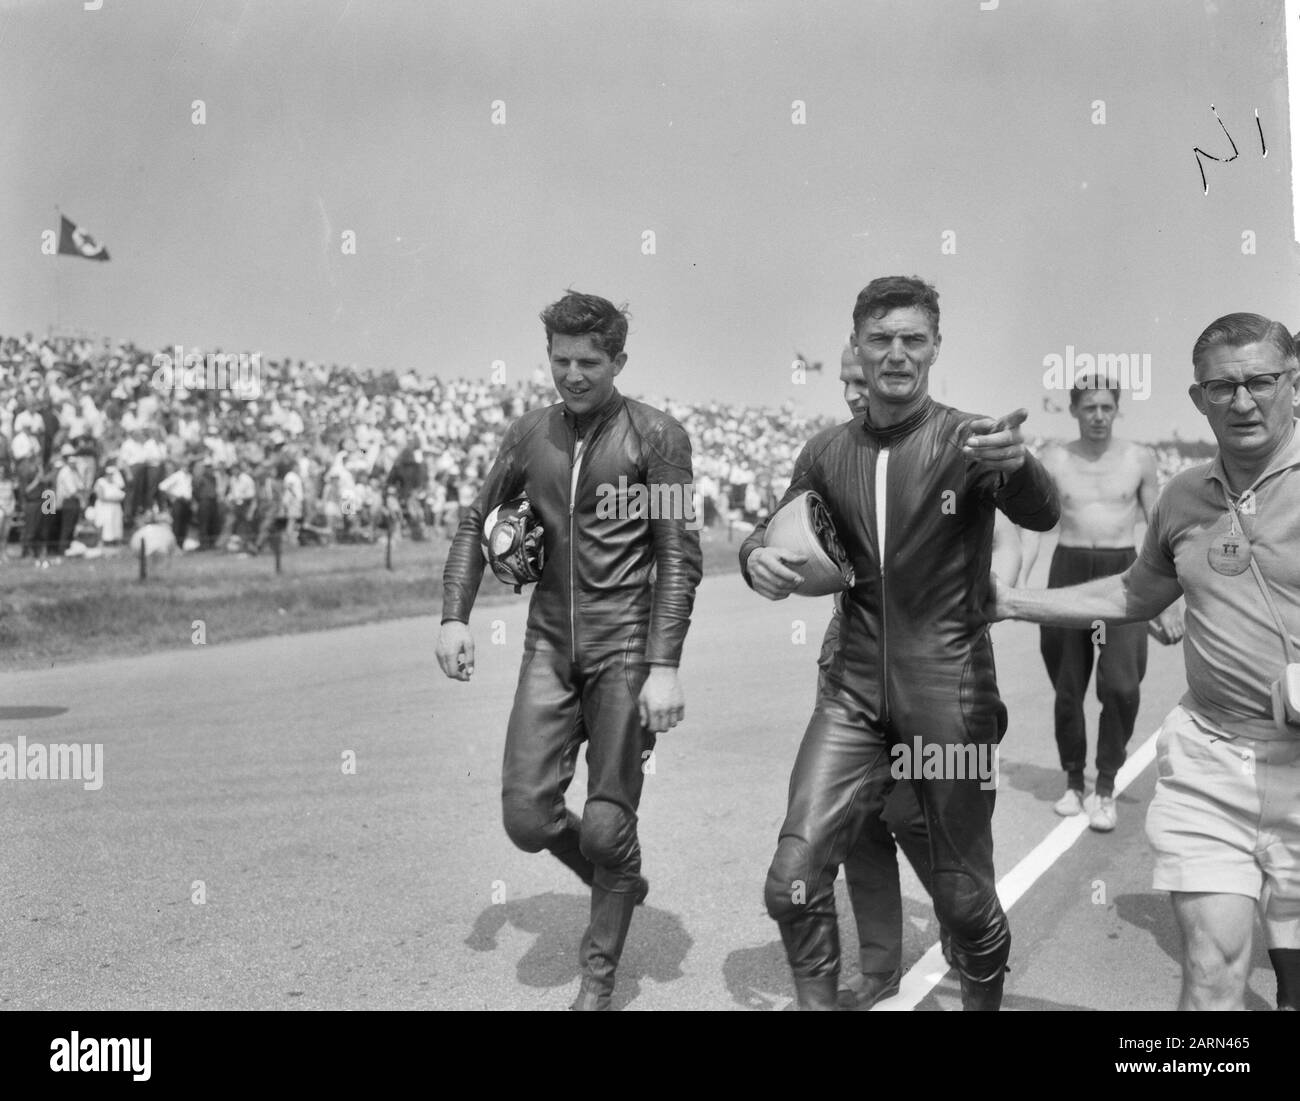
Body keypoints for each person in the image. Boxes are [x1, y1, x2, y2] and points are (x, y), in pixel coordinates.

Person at [742, 276, 1059, 1011]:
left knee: (961, 899)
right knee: (791, 878)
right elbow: (771, 531)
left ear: (935, 347)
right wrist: (760, 557)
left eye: (912, 338)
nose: (896, 353)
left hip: (950, 693)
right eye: (880, 338)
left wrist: (1019, 464)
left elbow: (1042, 512)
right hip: (852, 693)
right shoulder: (826, 450)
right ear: (856, 348)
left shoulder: (972, 437)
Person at [990, 312, 1300, 1012]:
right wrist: (1013, 602)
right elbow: (1136, 589)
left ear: (1294, 384)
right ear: (1198, 398)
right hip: (1214, 755)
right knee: (1212, 972)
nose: (1243, 401)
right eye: (1222, 386)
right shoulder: (1185, 495)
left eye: (1261, 381)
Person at [437, 291, 703, 1011]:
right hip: (549, 642)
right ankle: (615, 871)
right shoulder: (529, 434)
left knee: (612, 821)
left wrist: (665, 665)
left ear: (619, 359)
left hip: (624, 648)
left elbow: (679, 554)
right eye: (561, 360)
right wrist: (453, 617)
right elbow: (475, 518)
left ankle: (598, 977)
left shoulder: (659, 436)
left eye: (590, 360)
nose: (574, 373)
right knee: (527, 816)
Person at [831, 339, 1025, 1008]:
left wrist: (998, 588)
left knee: (927, 817)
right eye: (848, 381)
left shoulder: (951, 447)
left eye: (866, 380)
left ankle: (969, 923)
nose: (860, 392)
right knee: (857, 822)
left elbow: (1015, 524)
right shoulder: (841, 457)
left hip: (941, 670)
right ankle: (880, 967)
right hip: (855, 664)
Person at [1020, 376, 1184, 830]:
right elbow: (1034, 529)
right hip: (1068, 570)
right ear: (1073, 410)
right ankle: (1075, 782)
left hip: (1124, 573)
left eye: (1106, 407)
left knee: (1122, 686)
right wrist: (1016, 588)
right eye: (1089, 407)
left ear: (1117, 410)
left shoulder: (1139, 459)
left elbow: (1158, 530)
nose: (1098, 416)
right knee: (1068, 688)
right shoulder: (1053, 458)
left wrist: (1166, 598)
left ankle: (1106, 786)